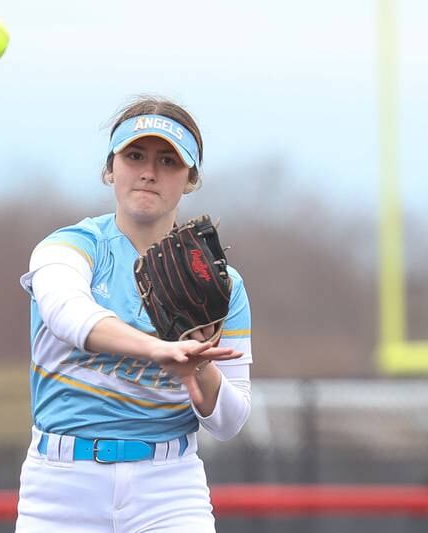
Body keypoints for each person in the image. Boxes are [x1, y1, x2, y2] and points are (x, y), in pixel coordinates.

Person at [15, 96, 253, 532]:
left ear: (191, 178)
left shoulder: (221, 286)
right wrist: (159, 350)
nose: (148, 171)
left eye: (168, 160)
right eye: (134, 155)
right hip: (62, 485)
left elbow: (230, 422)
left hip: (168, 486)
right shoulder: (70, 248)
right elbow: (68, 314)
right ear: (111, 168)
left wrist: (197, 371)